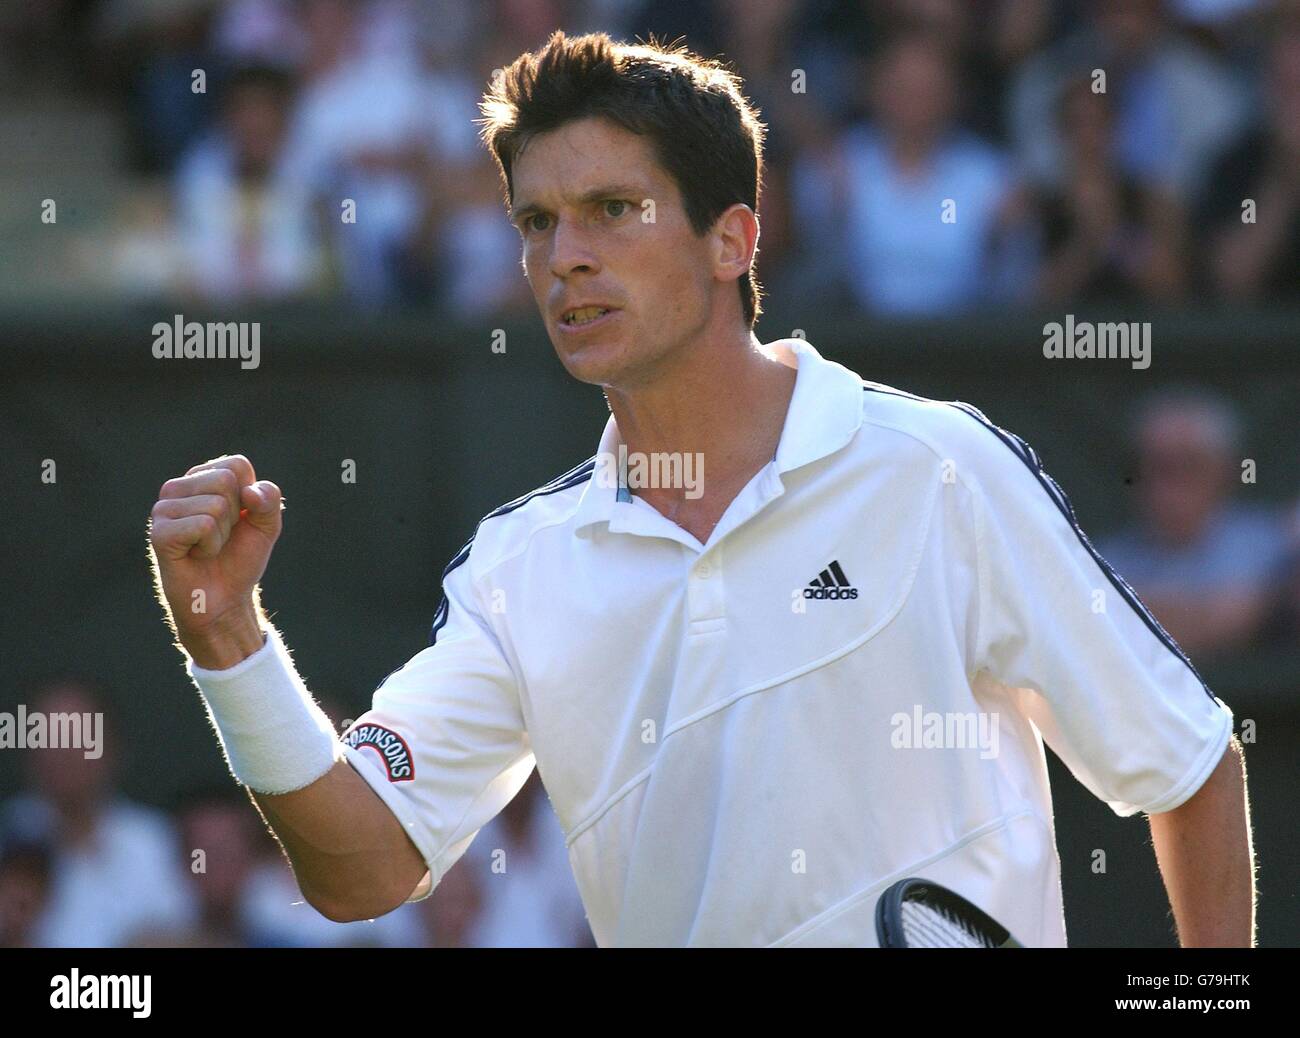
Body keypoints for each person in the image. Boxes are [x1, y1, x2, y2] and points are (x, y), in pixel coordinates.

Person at [147, 31, 1253, 948]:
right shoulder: (519, 571)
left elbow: (1187, 765)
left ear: (733, 239)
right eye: (537, 223)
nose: (564, 256)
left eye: (612, 209)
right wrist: (227, 638)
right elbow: (359, 869)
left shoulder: (938, 470)